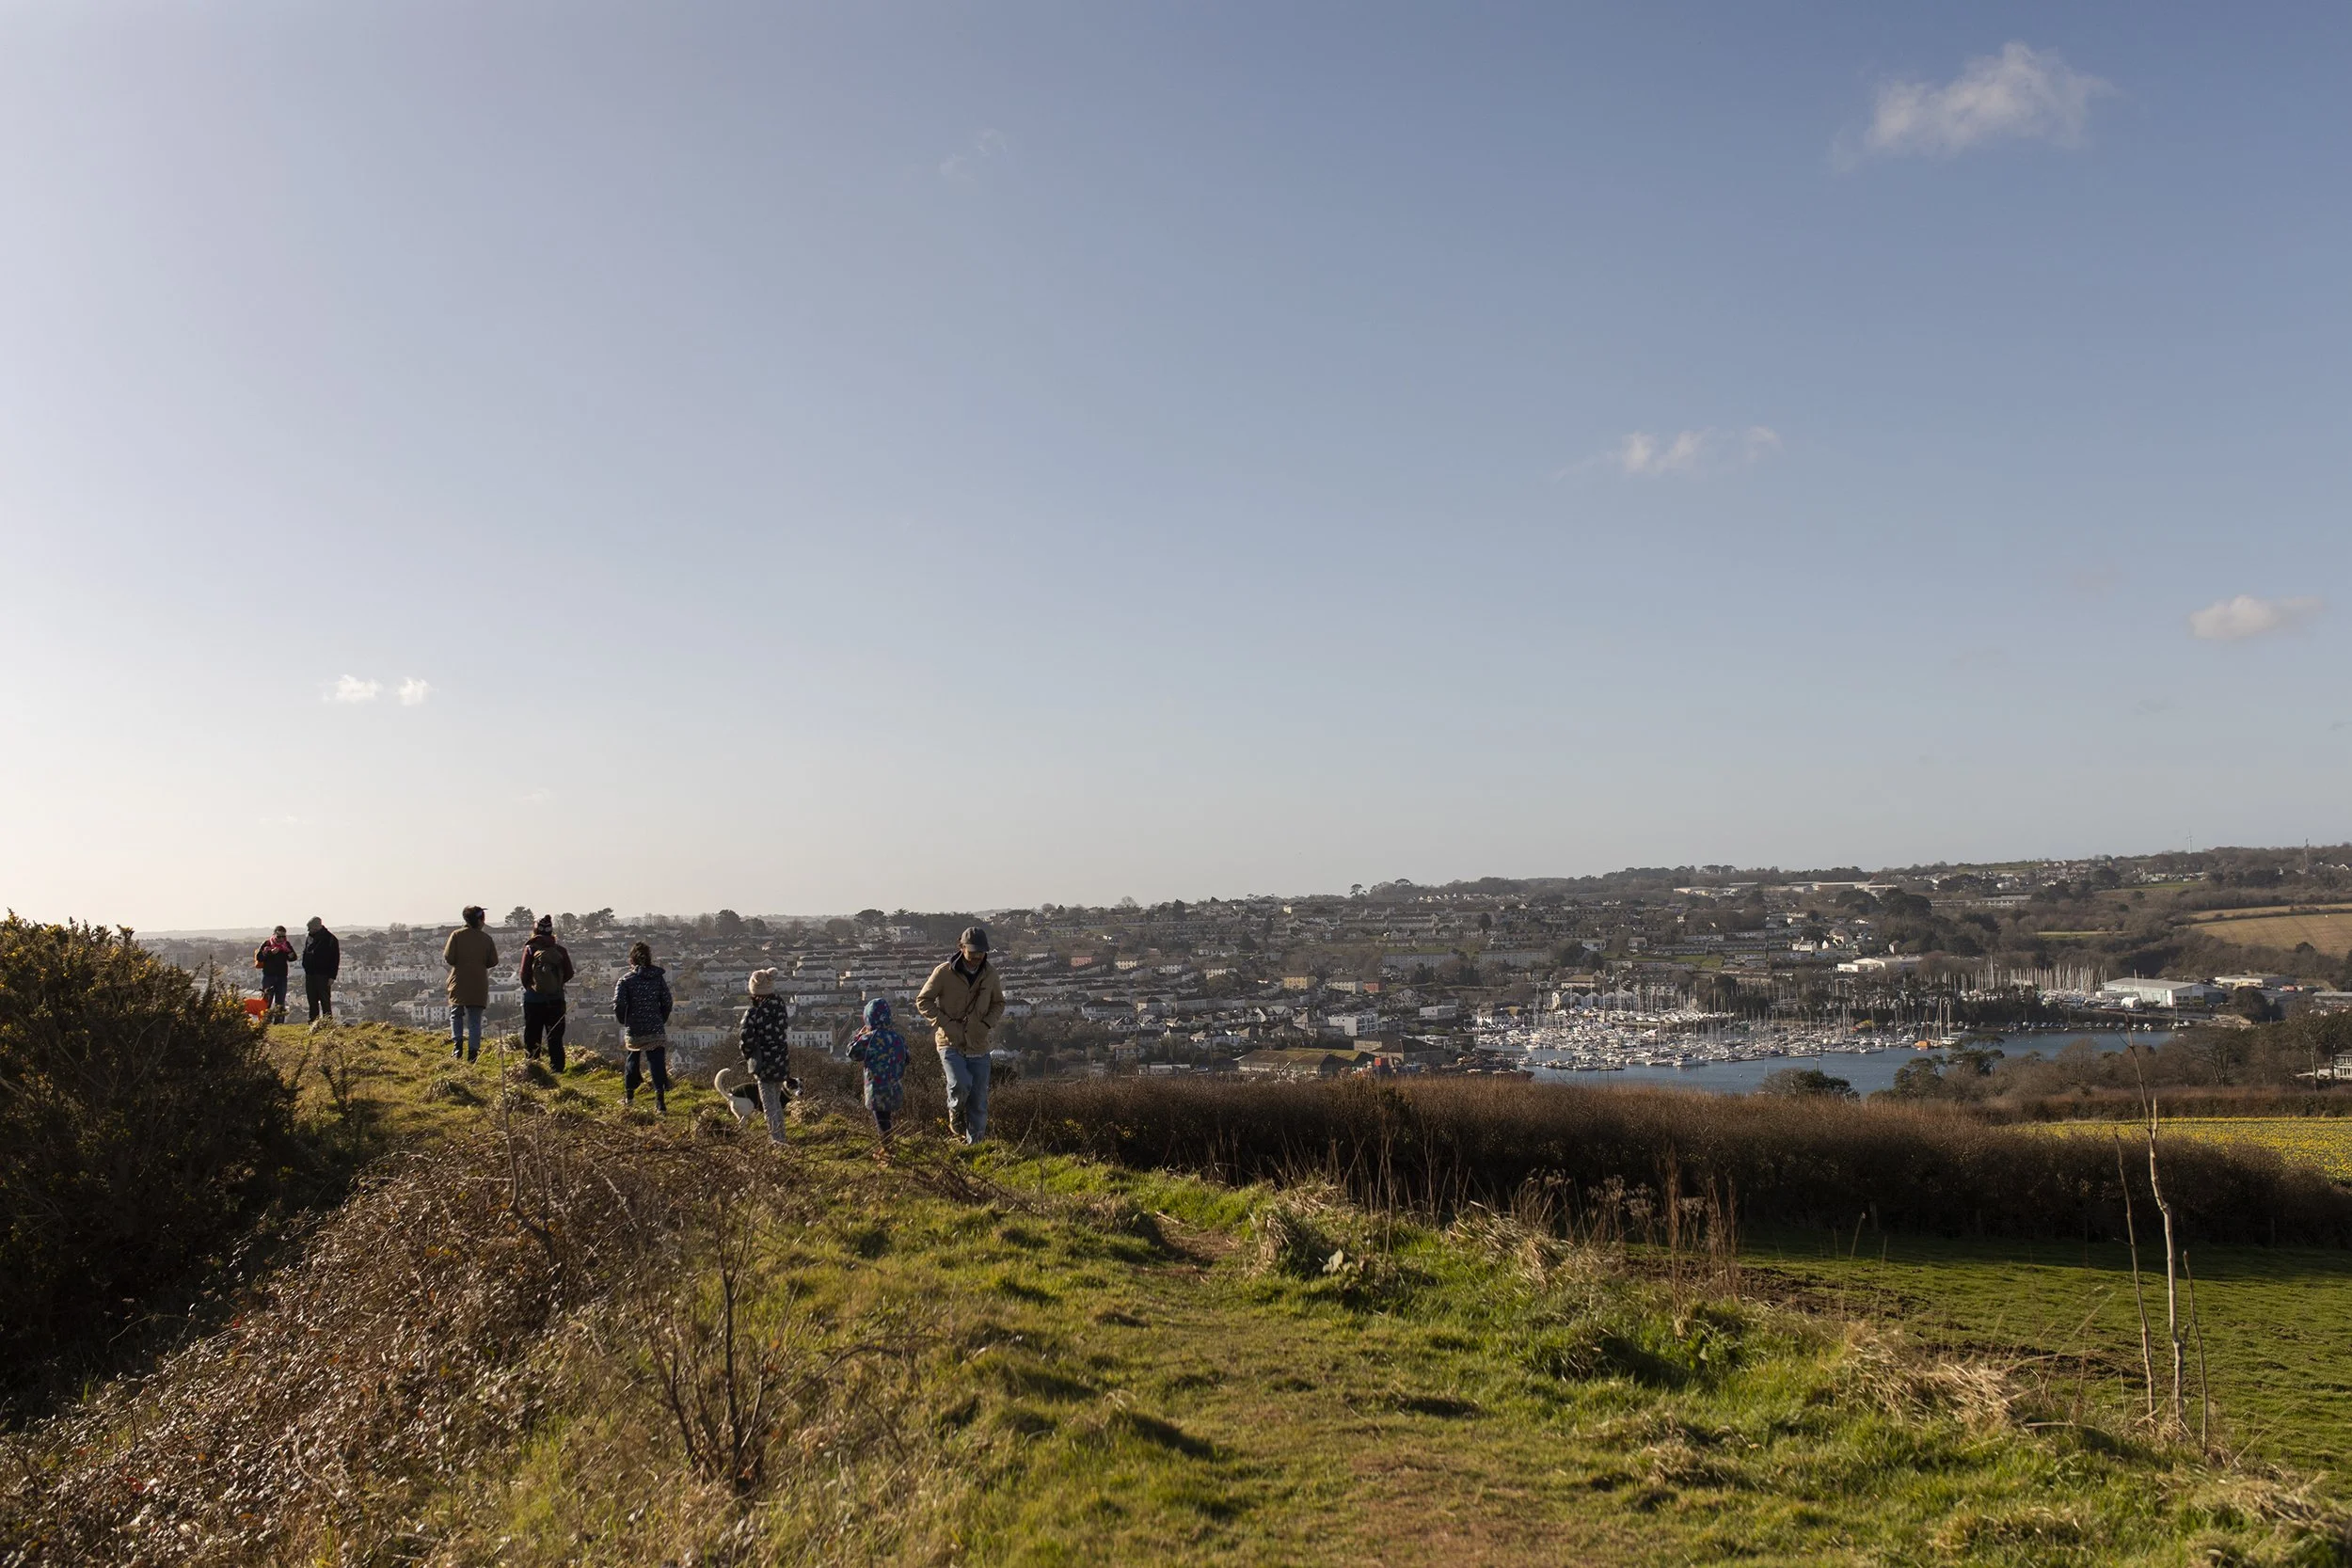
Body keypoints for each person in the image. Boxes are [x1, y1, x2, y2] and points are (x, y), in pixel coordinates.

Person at [915, 925, 1005, 1145]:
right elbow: (923, 1000)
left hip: (979, 1043)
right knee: (960, 1084)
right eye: (972, 951)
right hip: (950, 1042)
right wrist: (946, 1024)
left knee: (979, 1100)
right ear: (961, 947)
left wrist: (986, 1024)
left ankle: (975, 1145)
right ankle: (955, 1112)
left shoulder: (990, 974)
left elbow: (998, 1003)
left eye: (981, 952)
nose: (977, 956)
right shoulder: (943, 972)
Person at [734, 968, 793, 1145]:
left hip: (764, 1065)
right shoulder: (780, 1007)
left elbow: (746, 1039)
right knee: (776, 1102)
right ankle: (781, 1137)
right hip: (781, 1062)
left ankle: (777, 1141)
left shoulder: (753, 1012)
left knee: (769, 1105)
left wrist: (749, 1057)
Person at [612, 941, 674, 1112]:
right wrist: (661, 1018)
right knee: (657, 1061)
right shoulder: (658, 978)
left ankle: (629, 1097)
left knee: (633, 1057)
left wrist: (624, 1021)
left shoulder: (626, 980)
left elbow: (619, 1004)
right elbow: (667, 1001)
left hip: (635, 1026)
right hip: (655, 1025)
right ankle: (660, 1101)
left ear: (631, 960)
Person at [848, 997, 910, 1158]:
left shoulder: (869, 1038)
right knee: (886, 1118)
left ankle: (887, 1150)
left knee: (881, 1120)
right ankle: (888, 1148)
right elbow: (907, 1058)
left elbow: (852, 1053)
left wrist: (858, 1036)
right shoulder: (898, 1038)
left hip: (875, 1087)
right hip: (895, 1086)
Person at [442, 905, 499, 1062]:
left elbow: (449, 958)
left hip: (459, 980)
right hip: (479, 983)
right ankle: (473, 1053)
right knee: (475, 1019)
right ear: (480, 920)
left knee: (456, 1014)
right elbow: (493, 961)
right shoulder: (486, 939)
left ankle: (457, 1047)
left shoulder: (456, 935)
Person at [518, 915, 574, 1071]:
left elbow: (523, 974)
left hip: (533, 1000)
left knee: (532, 1034)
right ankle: (557, 1067)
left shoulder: (530, 949)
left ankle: (532, 1066)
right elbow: (569, 973)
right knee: (555, 1036)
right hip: (556, 999)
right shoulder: (560, 951)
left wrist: (532, 987)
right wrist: (557, 984)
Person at [299, 916, 341, 1028]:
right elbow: (305, 953)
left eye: (310, 928)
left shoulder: (330, 939)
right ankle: (313, 1021)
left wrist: (332, 976)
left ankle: (328, 1022)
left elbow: (335, 959)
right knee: (311, 999)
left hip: (324, 974)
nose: (309, 930)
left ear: (317, 927)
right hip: (310, 973)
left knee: (324, 1000)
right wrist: (305, 967)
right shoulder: (309, 938)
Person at [252, 926, 296, 1024]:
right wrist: (270, 953)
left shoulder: (286, 945)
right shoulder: (267, 944)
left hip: (282, 976)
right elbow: (259, 957)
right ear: (274, 935)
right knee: (266, 1001)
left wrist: (291, 956)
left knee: (280, 1002)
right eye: (279, 936)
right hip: (269, 976)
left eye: (283, 936)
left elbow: (294, 957)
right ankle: (264, 1023)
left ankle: (279, 1023)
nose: (281, 939)